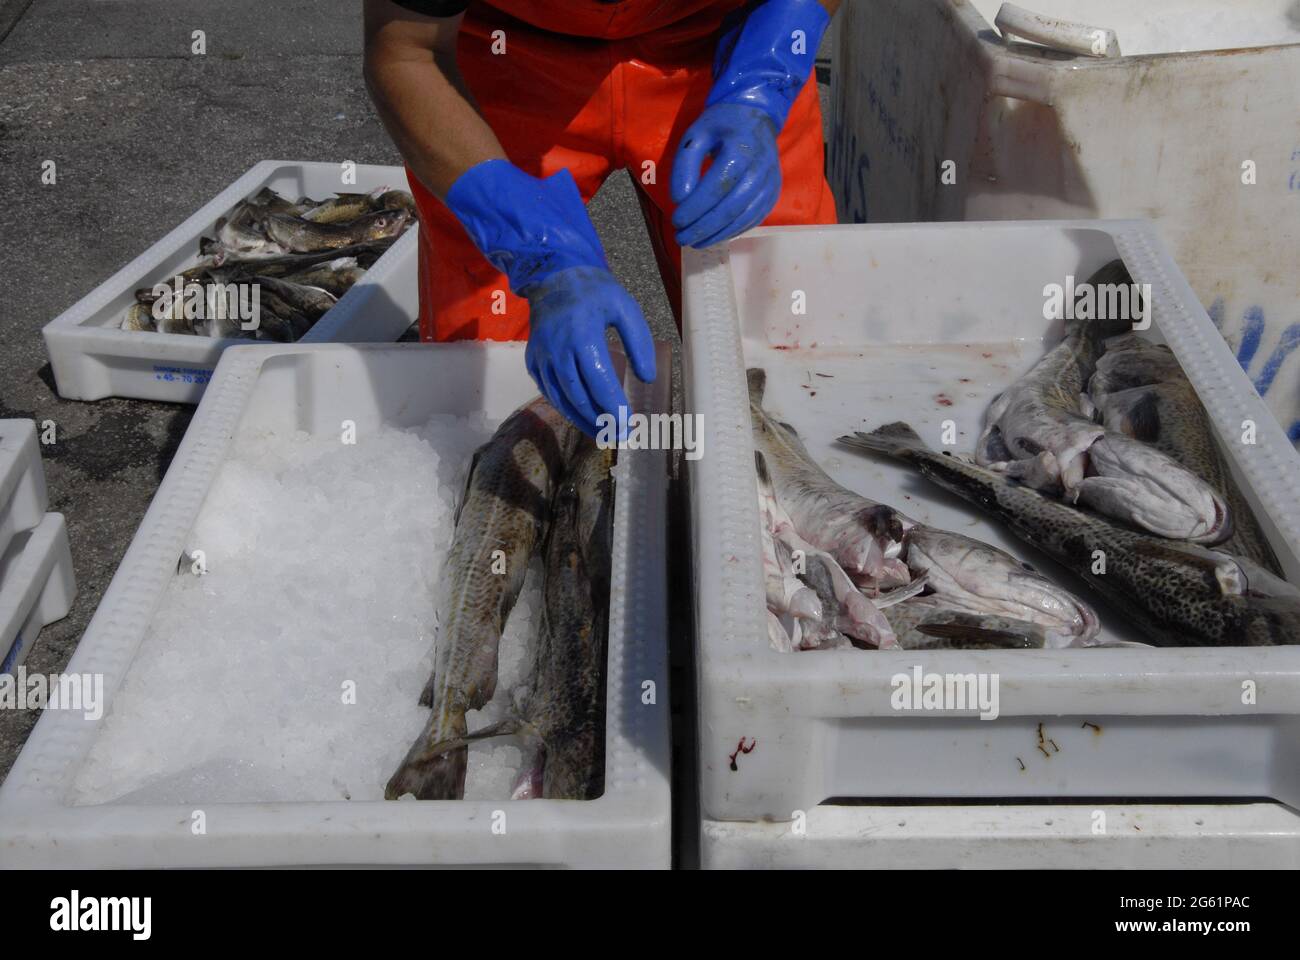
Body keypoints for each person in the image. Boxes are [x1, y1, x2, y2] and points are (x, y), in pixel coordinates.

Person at [364, 0, 839, 434]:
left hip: (724, 42)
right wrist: (533, 248)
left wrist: (762, 84)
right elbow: (408, 54)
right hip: (502, 49)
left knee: (794, 360)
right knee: (477, 402)